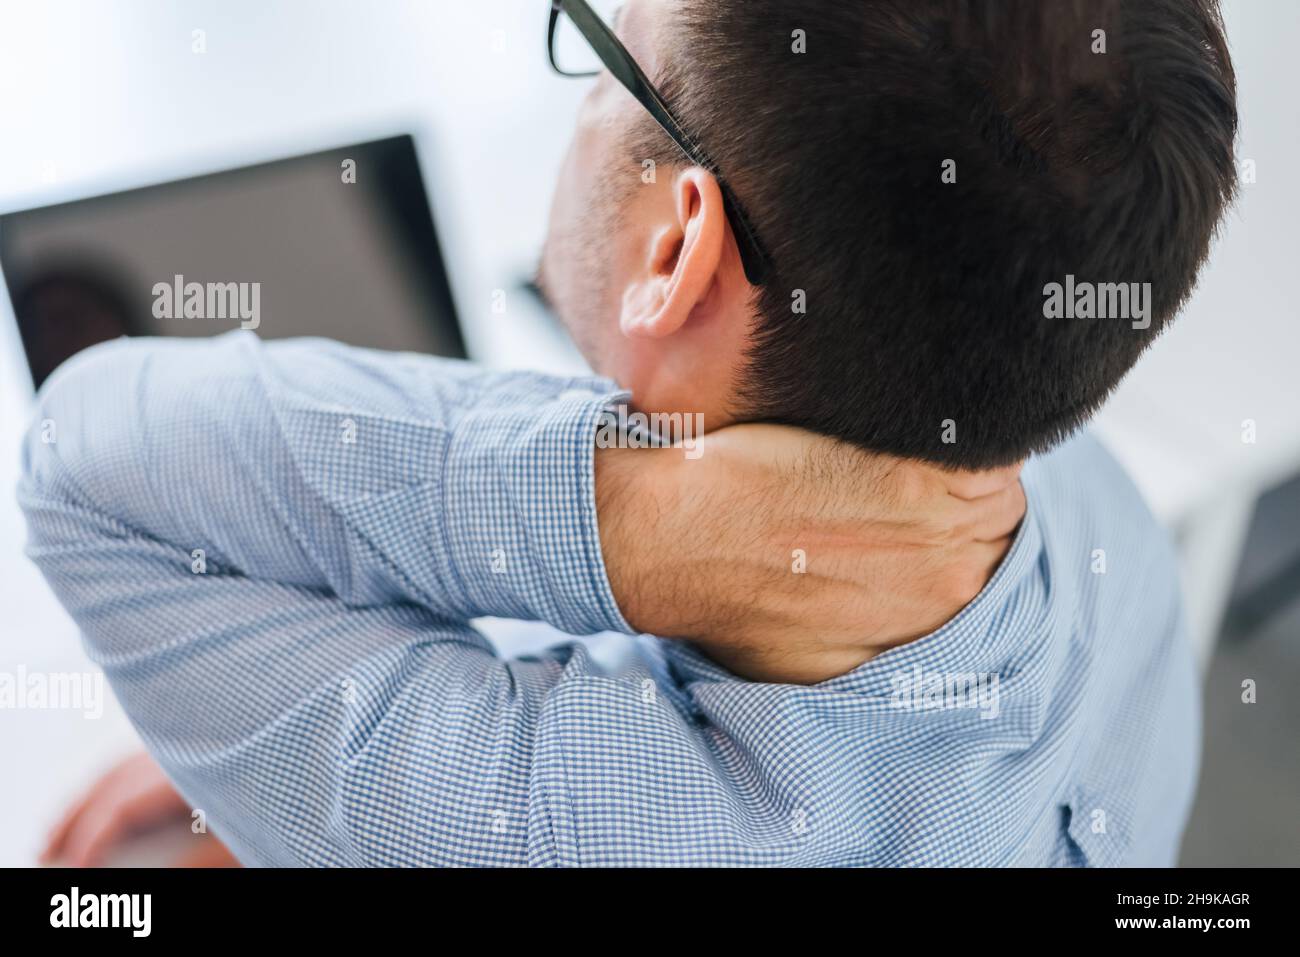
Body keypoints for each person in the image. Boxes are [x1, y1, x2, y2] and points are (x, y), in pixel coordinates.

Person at [21, 0, 1236, 866]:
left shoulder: (542, 825)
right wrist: (272, 747)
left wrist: (637, 524)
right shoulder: (1084, 502)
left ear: (676, 252)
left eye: (608, 54)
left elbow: (84, 462)